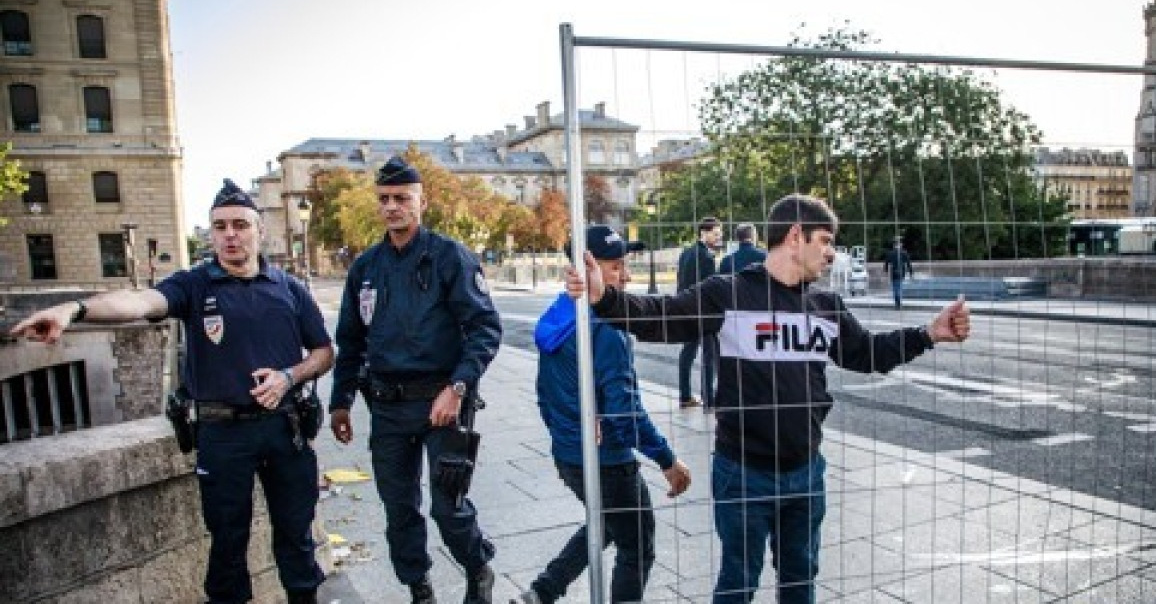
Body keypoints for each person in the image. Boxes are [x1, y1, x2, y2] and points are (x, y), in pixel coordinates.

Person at [566, 194, 971, 604]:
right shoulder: (731, 293)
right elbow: (662, 316)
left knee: (800, 581)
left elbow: (869, 353)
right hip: (744, 473)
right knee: (738, 584)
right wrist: (605, 299)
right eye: (825, 241)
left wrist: (929, 334)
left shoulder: (825, 306)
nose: (831, 254)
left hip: (807, 474)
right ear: (796, 236)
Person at [10, 179, 334, 604]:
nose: (230, 234)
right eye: (220, 226)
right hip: (223, 437)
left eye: (240, 224)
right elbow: (140, 302)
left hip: (285, 429)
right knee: (227, 549)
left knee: (297, 540)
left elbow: (324, 352)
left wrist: (289, 377)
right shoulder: (195, 285)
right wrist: (75, 309)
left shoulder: (289, 288)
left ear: (259, 231)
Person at [329, 156, 502, 604]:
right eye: (385, 199)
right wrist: (341, 402)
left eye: (401, 198)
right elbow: (350, 340)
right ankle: (419, 589)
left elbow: (485, 328)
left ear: (422, 201)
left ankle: (477, 566)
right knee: (399, 511)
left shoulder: (449, 257)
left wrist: (458, 386)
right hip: (387, 408)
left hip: (442, 404)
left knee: (448, 508)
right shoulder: (365, 268)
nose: (392, 207)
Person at [513, 225, 693, 604]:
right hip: (607, 460)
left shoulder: (560, 315)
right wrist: (667, 459)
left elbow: (545, 393)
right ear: (587, 268)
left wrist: (571, 427)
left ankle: (542, 593)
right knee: (638, 546)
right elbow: (625, 414)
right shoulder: (608, 328)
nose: (626, 276)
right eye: (616, 267)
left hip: (569, 454)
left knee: (605, 523)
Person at [675, 216, 722, 409]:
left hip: (685, 308)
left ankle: (685, 396)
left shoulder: (686, 253)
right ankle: (709, 399)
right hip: (703, 311)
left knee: (687, 353)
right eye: (716, 233)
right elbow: (711, 287)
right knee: (709, 356)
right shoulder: (707, 257)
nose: (719, 237)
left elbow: (680, 281)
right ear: (704, 232)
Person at [883, 240, 914, 309]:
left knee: (895, 288)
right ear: (900, 245)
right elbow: (908, 263)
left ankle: (897, 303)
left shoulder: (890, 253)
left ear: (894, 246)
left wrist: (885, 272)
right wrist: (911, 273)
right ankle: (899, 302)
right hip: (901, 272)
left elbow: (886, 263)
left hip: (893, 272)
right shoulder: (904, 253)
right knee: (899, 287)